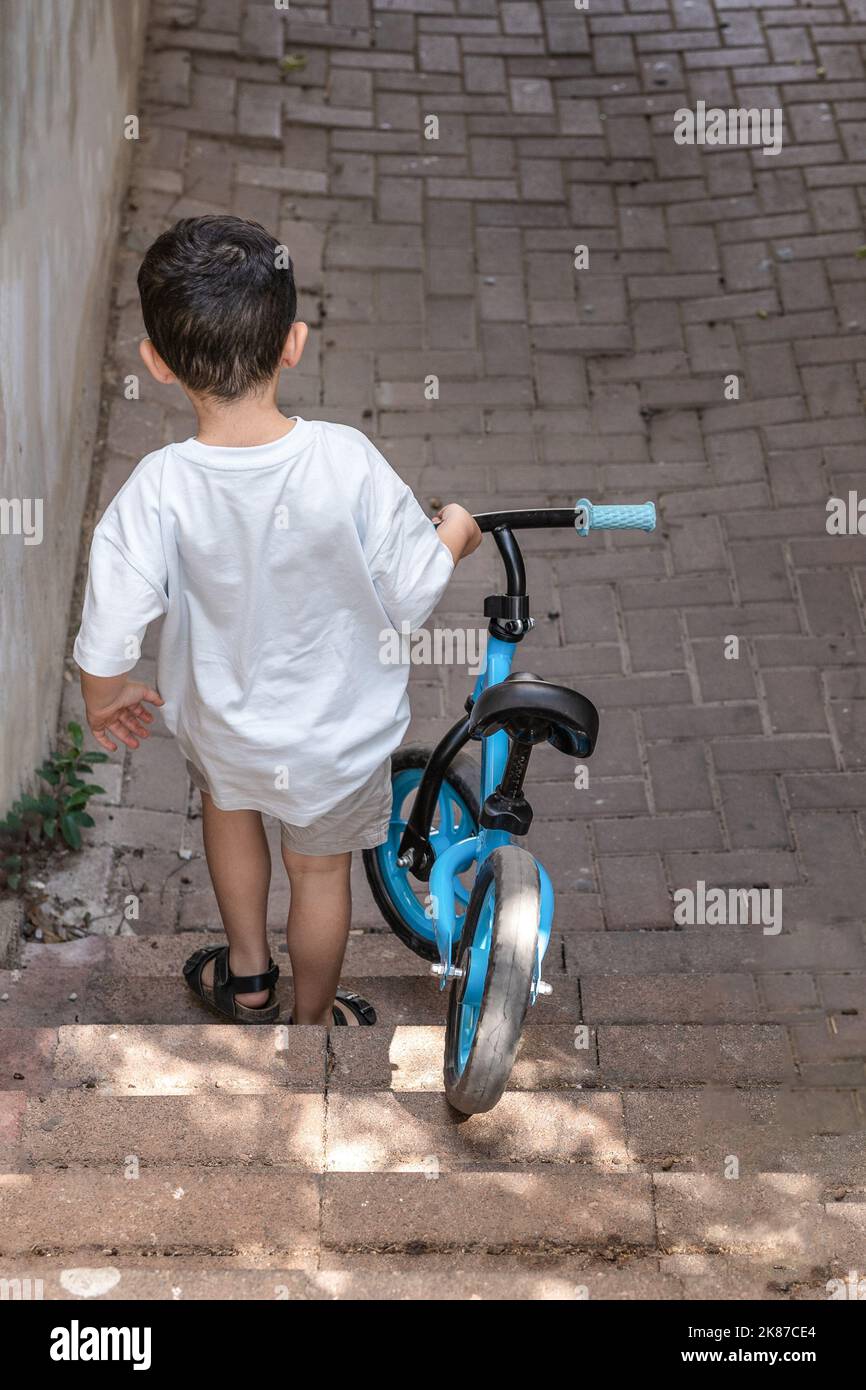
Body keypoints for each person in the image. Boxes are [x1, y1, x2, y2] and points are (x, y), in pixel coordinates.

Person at [74, 215, 481, 1027]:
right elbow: (408, 594)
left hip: (225, 727)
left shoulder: (158, 487)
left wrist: (103, 697)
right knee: (320, 874)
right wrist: (456, 535)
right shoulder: (346, 461)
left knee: (229, 817)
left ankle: (249, 976)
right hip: (336, 741)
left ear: (157, 363)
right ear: (292, 344)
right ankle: (313, 1023)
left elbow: (111, 617)